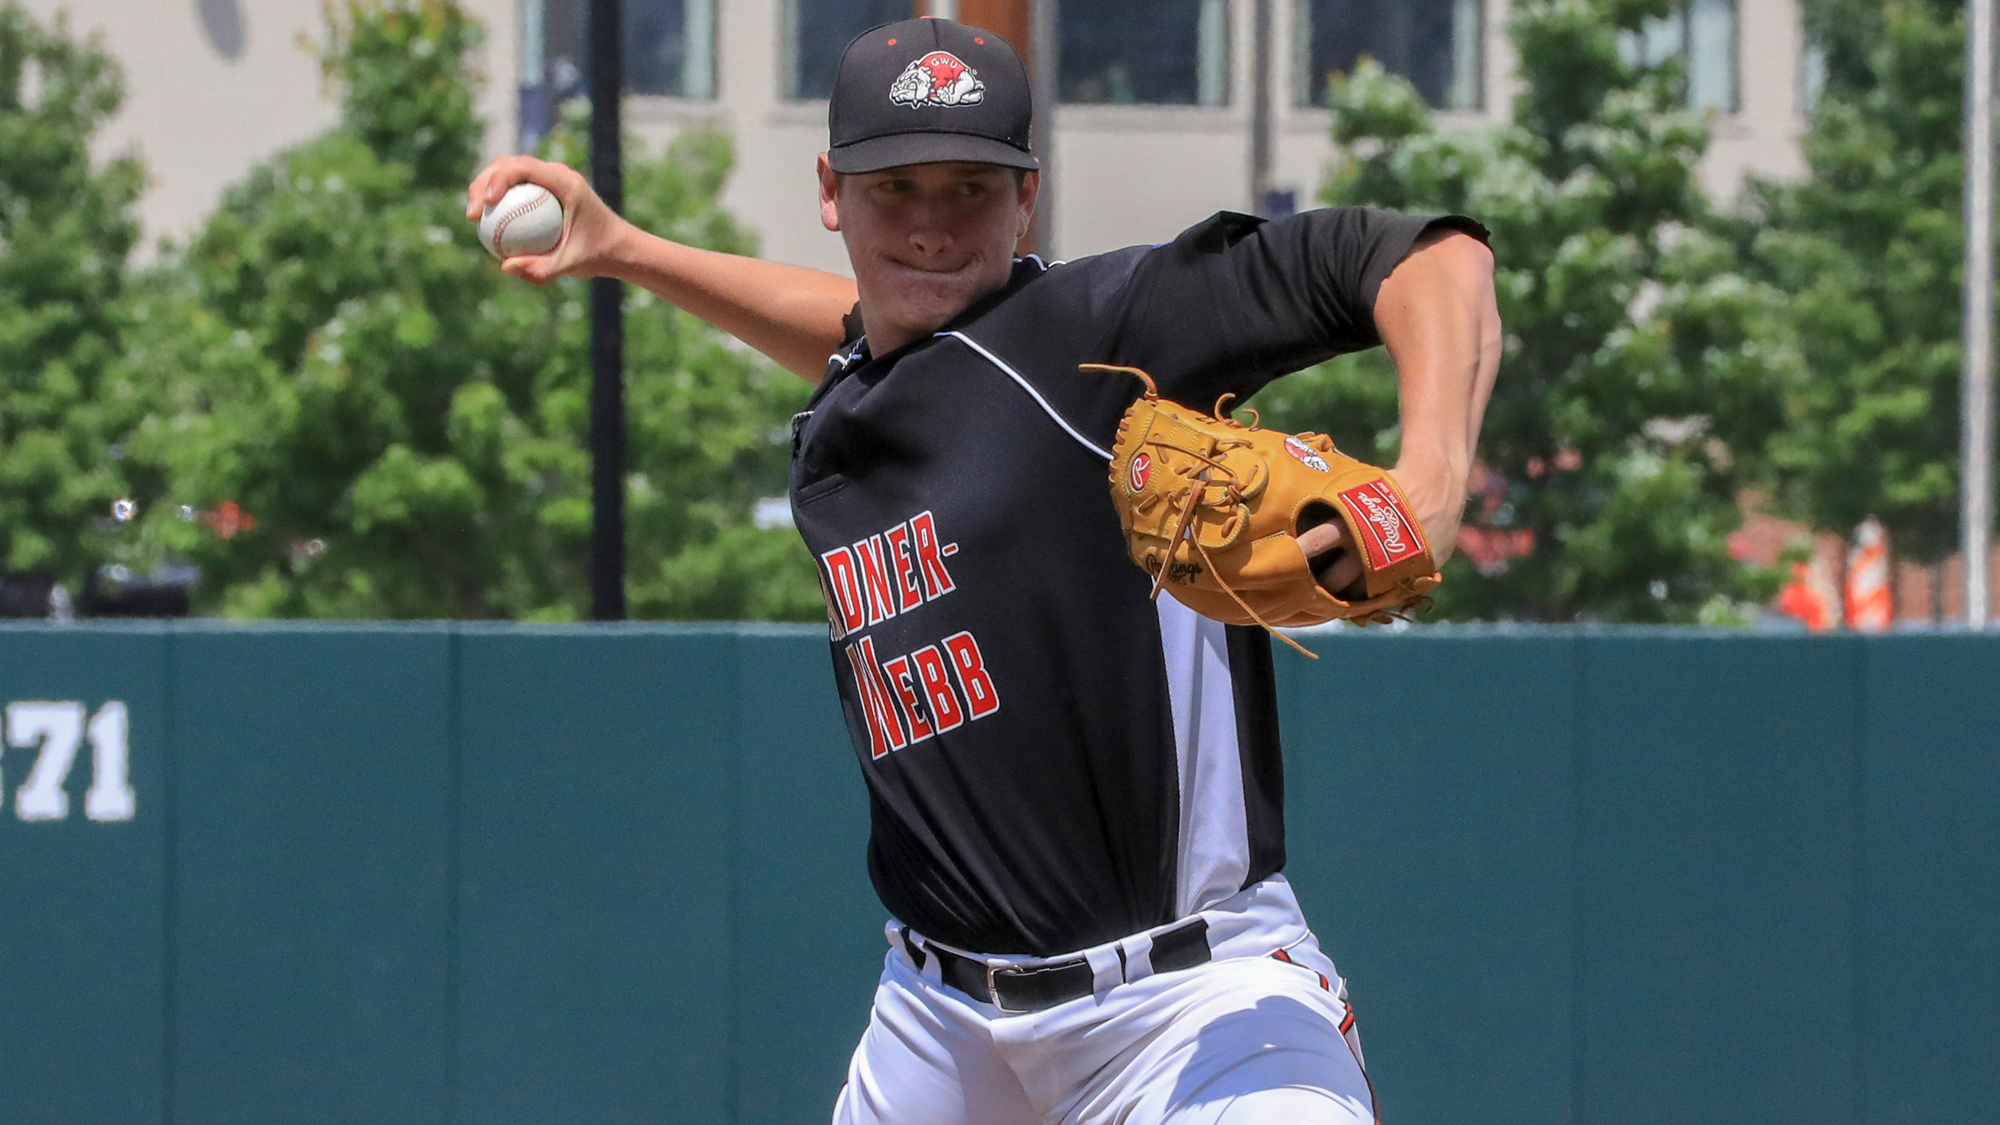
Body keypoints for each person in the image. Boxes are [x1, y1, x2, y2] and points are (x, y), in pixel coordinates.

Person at [468, 17, 1499, 1124]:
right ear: (830, 190)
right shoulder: (876, 379)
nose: (928, 224)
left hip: (1189, 1008)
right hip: (937, 1024)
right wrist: (626, 248)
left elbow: (1428, 256)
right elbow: (884, 340)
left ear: (1026, 199)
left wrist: (1430, 486)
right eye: (893, 186)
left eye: (969, 187)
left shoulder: (1115, 329)